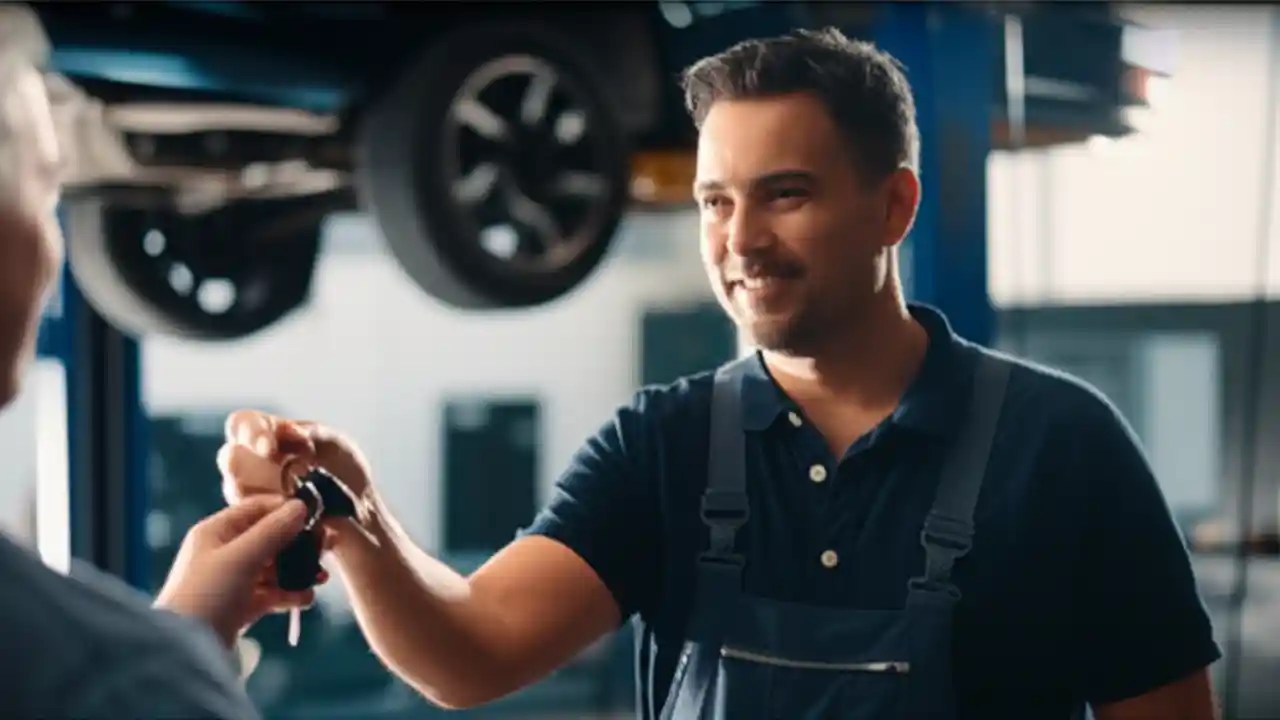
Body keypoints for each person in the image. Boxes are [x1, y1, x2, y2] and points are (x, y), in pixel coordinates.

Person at [222, 27, 1222, 720]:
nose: (738, 239)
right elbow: (470, 651)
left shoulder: (1059, 446)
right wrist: (353, 517)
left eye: (783, 195)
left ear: (893, 207)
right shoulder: (663, 446)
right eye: (714, 201)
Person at [0, 6, 315, 717]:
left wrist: (180, 635)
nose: (54, 253)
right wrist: (159, 667)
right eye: (48, 189)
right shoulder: (112, 682)